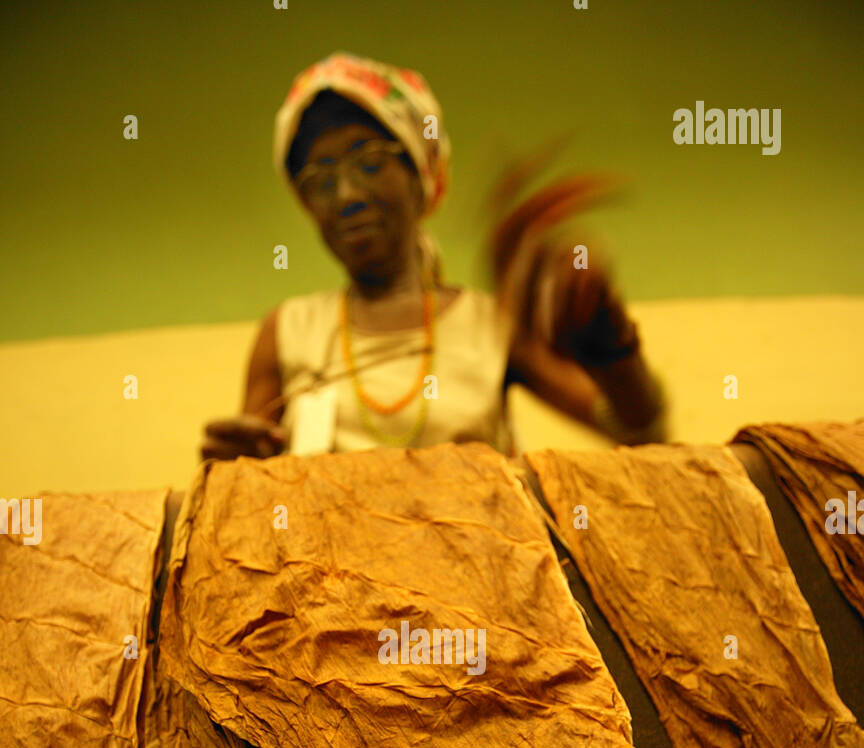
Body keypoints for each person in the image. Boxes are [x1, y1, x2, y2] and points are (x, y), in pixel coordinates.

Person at [200, 51, 668, 464]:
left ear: (419, 175)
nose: (346, 195)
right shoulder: (287, 330)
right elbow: (246, 486)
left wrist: (609, 347)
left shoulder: (490, 324)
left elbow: (639, 433)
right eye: (320, 181)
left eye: (369, 162)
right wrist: (233, 470)